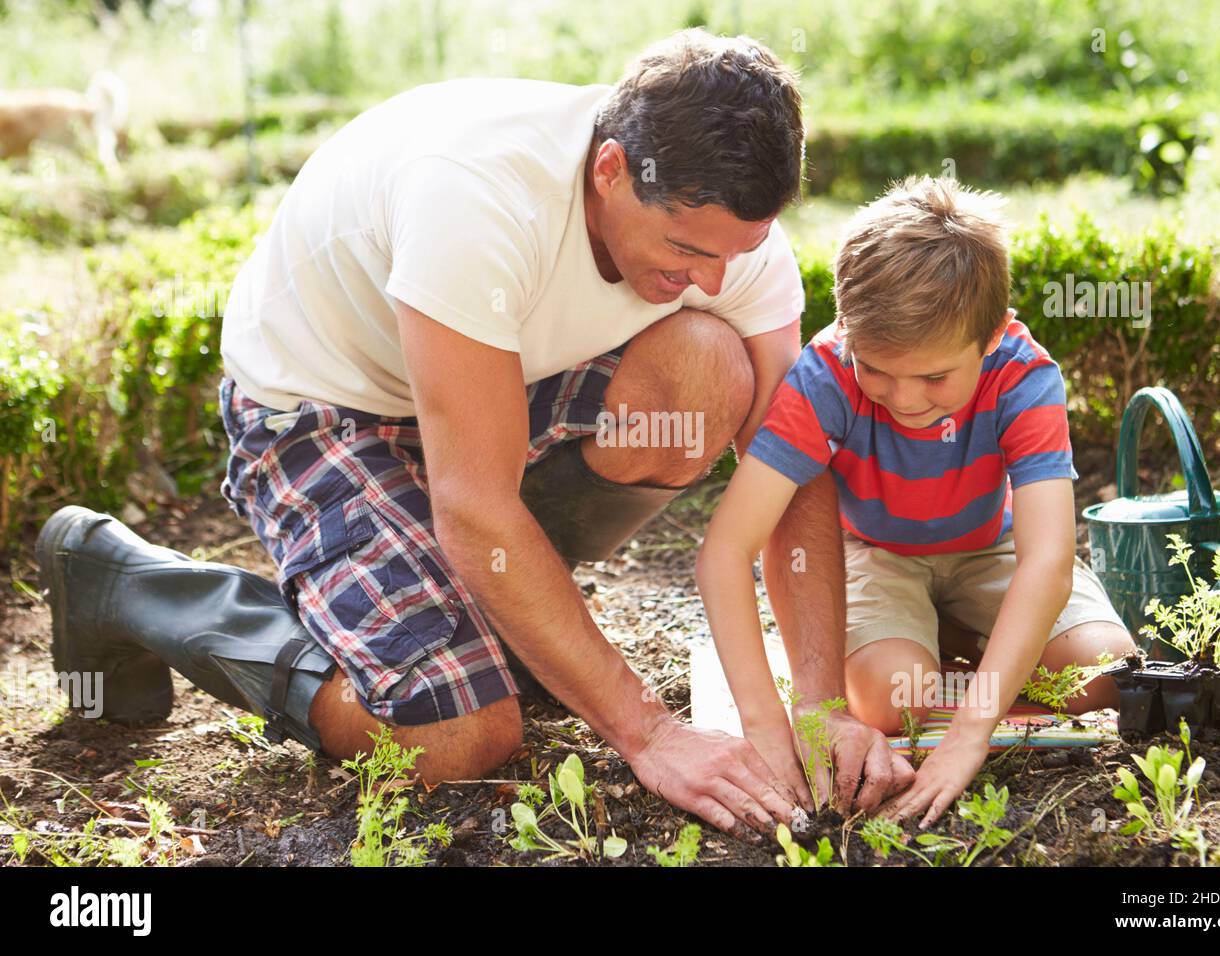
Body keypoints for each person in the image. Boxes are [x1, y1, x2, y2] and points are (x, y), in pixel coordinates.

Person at [37, 29, 913, 841]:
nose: (715, 276)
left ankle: (490, 618)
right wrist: (649, 733)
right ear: (611, 169)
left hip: (492, 392)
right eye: (687, 249)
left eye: (739, 250)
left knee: (706, 370)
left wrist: (819, 704)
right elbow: (474, 504)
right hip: (320, 408)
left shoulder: (724, 233)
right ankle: (125, 584)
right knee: (458, 729)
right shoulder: (477, 195)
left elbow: (791, 470)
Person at [695, 174, 1137, 827]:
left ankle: (958, 634)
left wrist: (970, 732)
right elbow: (725, 552)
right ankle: (950, 641)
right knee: (889, 698)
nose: (904, 399)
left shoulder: (1024, 372)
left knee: (1107, 675)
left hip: (991, 548)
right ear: (847, 330)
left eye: (934, 377)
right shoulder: (825, 373)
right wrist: (766, 723)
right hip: (878, 553)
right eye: (877, 369)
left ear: (990, 339)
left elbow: (1047, 558)